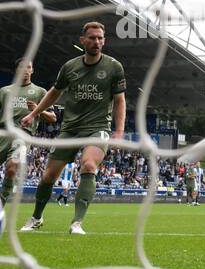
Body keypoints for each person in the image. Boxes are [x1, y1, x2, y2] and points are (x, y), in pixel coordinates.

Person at [19, 21, 126, 235]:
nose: (97, 42)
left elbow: (120, 100)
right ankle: (37, 217)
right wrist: (34, 113)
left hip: (97, 127)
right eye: (93, 37)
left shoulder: (114, 66)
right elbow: (54, 93)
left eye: (100, 38)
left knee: (88, 165)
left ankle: (77, 223)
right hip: (70, 129)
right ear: (83, 40)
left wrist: (119, 131)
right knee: (49, 176)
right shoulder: (70, 67)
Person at [0, 58, 54, 204]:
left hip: (23, 135)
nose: (26, 71)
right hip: (1, 134)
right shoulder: (5, 91)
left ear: (32, 70)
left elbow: (52, 118)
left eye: (29, 67)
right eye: (22, 68)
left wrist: (38, 111)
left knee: (11, 168)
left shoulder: (40, 92)